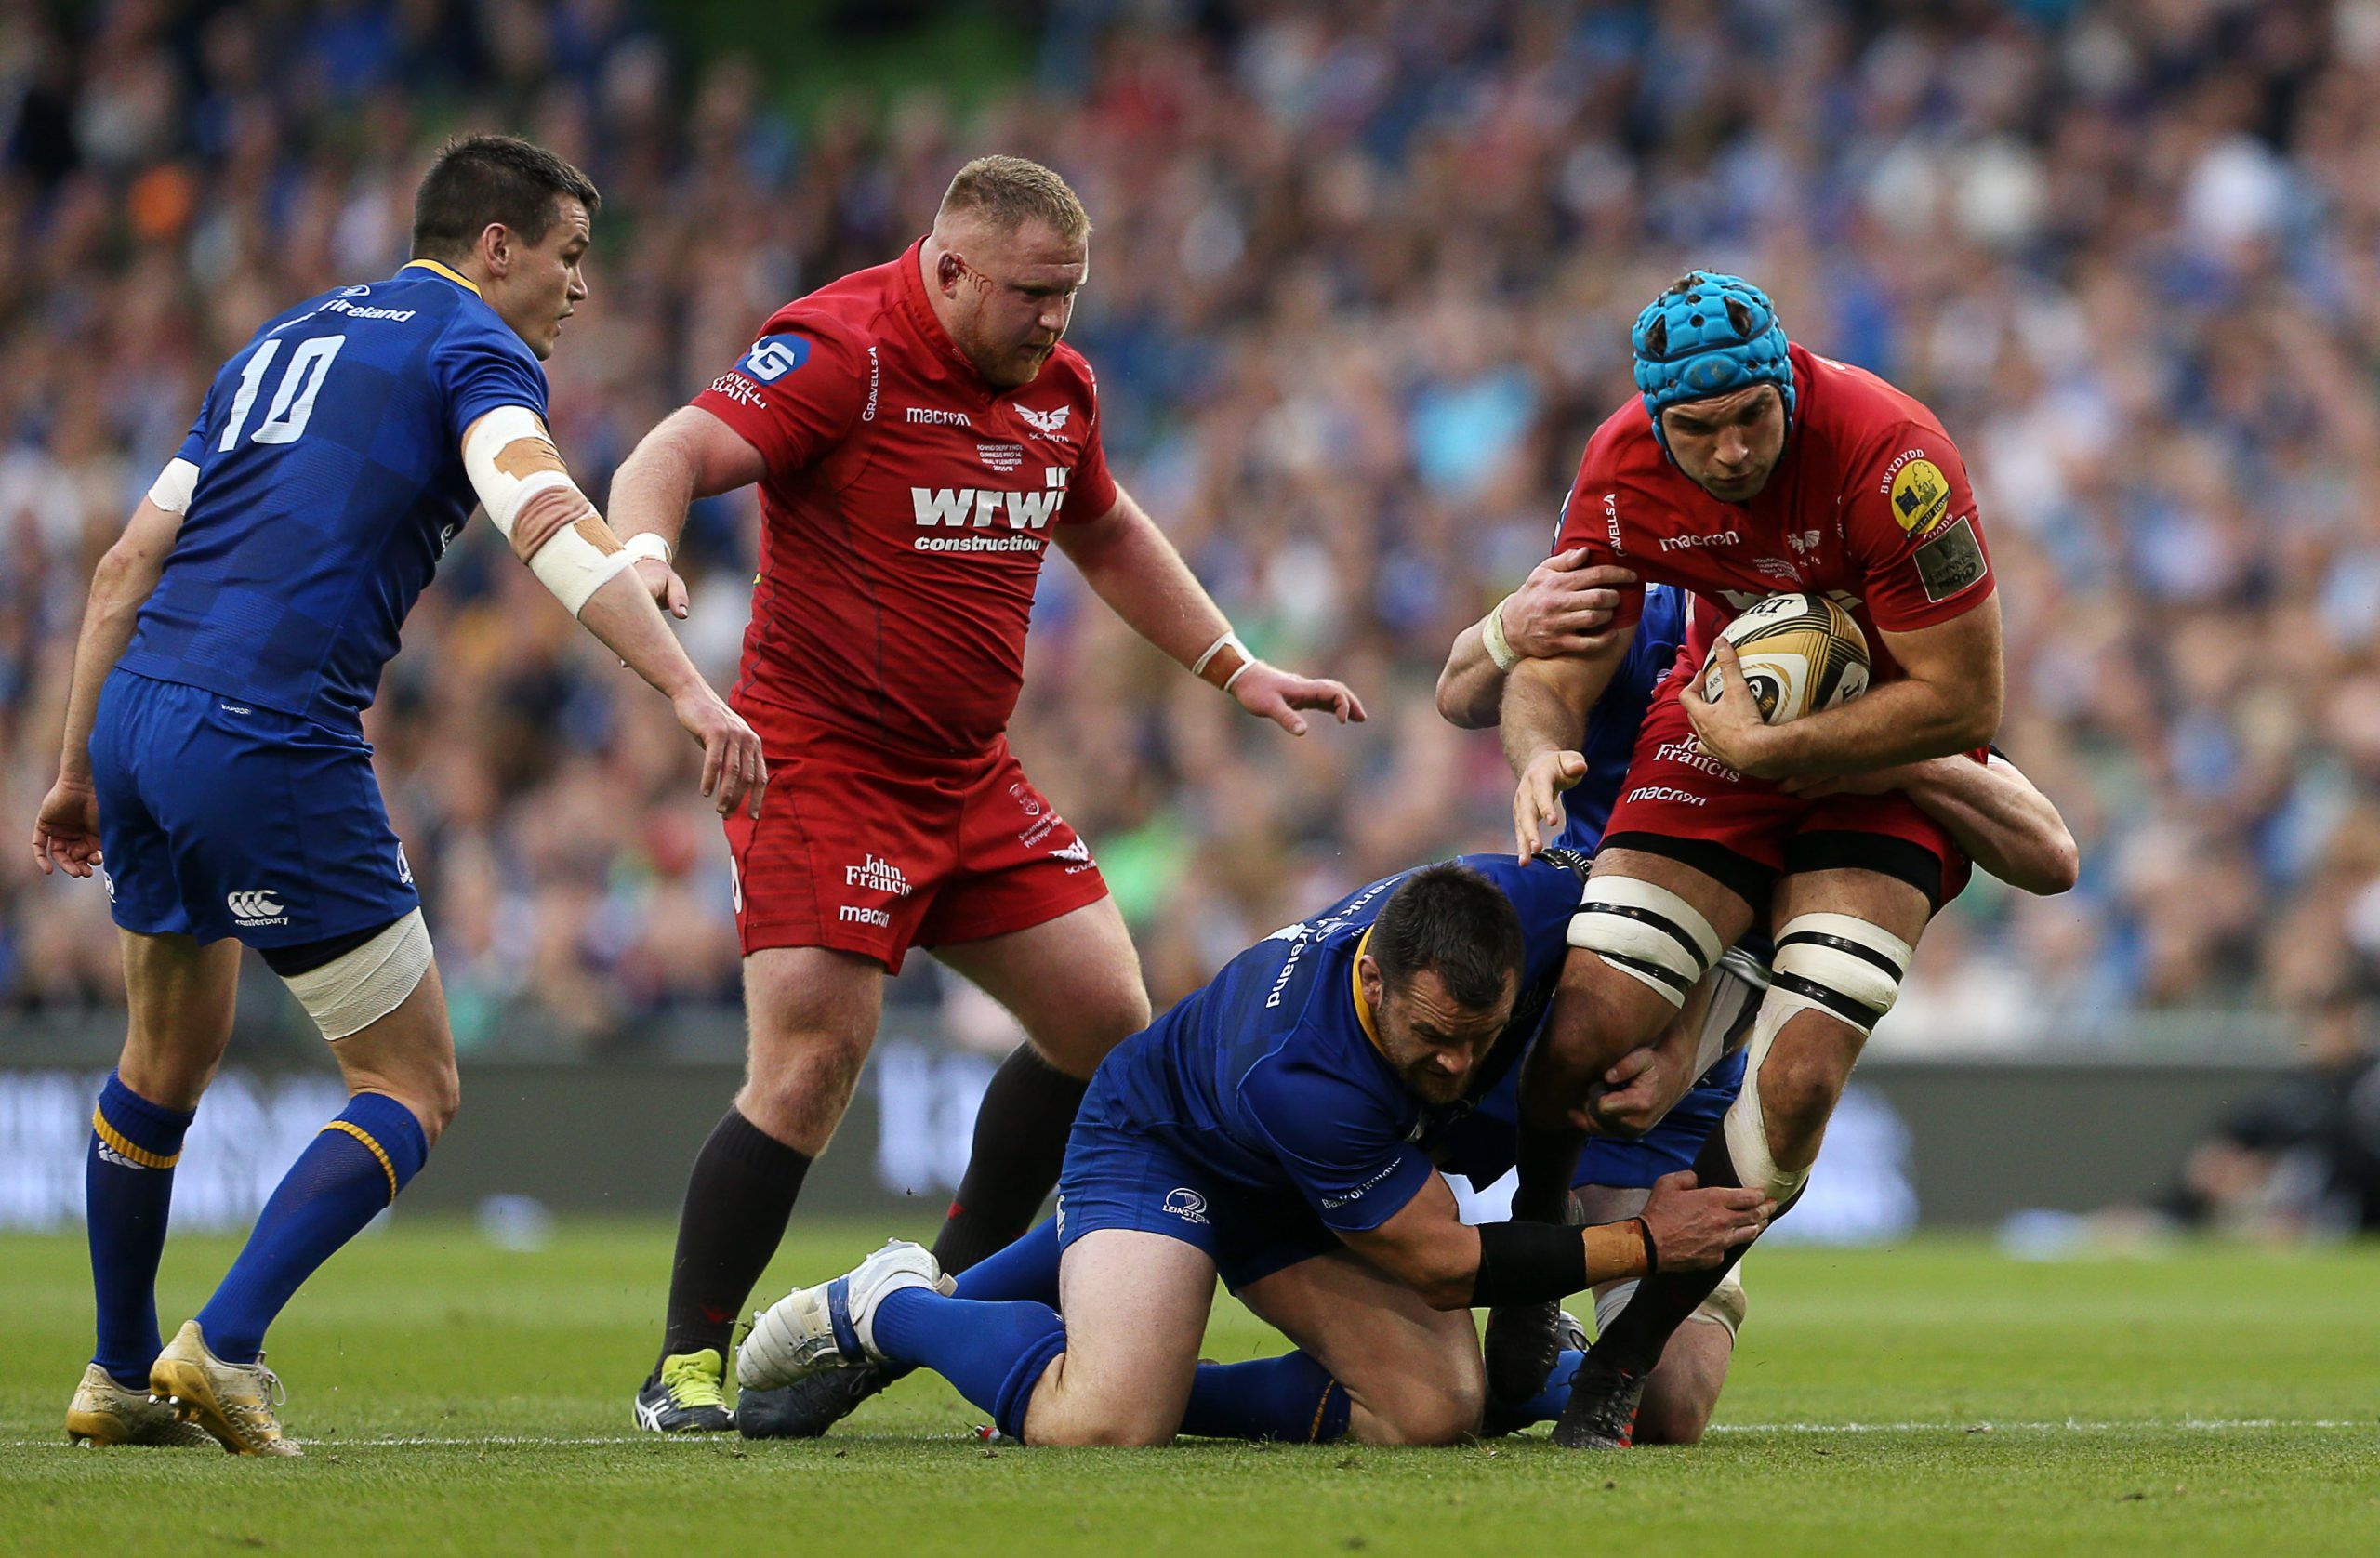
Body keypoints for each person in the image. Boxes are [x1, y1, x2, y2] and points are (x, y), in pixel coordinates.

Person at [602, 154, 1365, 1433]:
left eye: (1070, 292)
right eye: (1030, 293)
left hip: (970, 773)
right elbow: (670, 452)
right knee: (811, 1065)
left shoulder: (1059, 385)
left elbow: (1108, 528)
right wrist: (644, 554)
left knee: (1111, 1035)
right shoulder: (844, 349)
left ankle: (940, 1295)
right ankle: (686, 1363)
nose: (1055, 319)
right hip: (824, 764)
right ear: (950, 270)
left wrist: (1233, 667)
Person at [29, 135, 766, 1457]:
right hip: (267, 732)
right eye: (569, 256)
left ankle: (117, 1369)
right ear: (495, 248)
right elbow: (539, 513)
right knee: (413, 1082)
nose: (579, 289)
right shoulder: (472, 344)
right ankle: (226, 1347)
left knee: (163, 1060)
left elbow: (126, 562)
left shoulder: (275, 343)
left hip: (141, 713)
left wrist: (81, 765)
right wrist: (686, 692)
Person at [1493, 271, 2012, 1447]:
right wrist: (1535, 750)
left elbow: (1963, 696)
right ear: (1655, 418)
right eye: (1699, 429)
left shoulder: (1895, 459)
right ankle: (1528, 1280)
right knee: (1581, 1026)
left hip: (1888, 744)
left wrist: (1774, 748)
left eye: (1751, 418)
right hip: (1723, 719)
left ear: (1787, 381)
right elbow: (1551, 655)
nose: (1729, 450)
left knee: (1799, 1086)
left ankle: (1624, 1352)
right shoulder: (1620, 461)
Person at [735, 860, 1771, 1447]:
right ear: (1370, 980)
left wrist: (1680, 1054)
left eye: (1480, 1035)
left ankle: (1089, 1306)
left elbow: (1706, 935)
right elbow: (1445, 1263)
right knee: (1105, 1421)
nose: (1458, 1064)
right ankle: (890, 1306)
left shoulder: (1540, 914)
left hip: (1293, 1173)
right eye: (1432, 1040)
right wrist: (1642, 1240)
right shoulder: (1306, 1073)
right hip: (1167, 1138)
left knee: (1433, 1410)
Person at [1438, 570, 2073, 1442]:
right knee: (1407, 1338)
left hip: (1693, 1023)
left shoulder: (1847, 664)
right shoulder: (1643, 607)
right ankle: (1515, 1286)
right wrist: (1507, 625)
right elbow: (1463, 688)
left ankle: (1571, 1350)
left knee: (1671, 1412)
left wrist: (1686, 1054)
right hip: (1555, 969)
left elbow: (2046, 852)